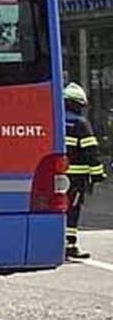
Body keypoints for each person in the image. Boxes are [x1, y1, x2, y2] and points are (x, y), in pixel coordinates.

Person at [63, 82, 102, 260]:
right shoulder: (80, 123)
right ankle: (69, 245)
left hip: (56, 176)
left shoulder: (54, 119)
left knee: (57, 209)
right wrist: (97, 174)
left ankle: (57, 241)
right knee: (72, 209)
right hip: (76, 178)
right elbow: (90, 152)